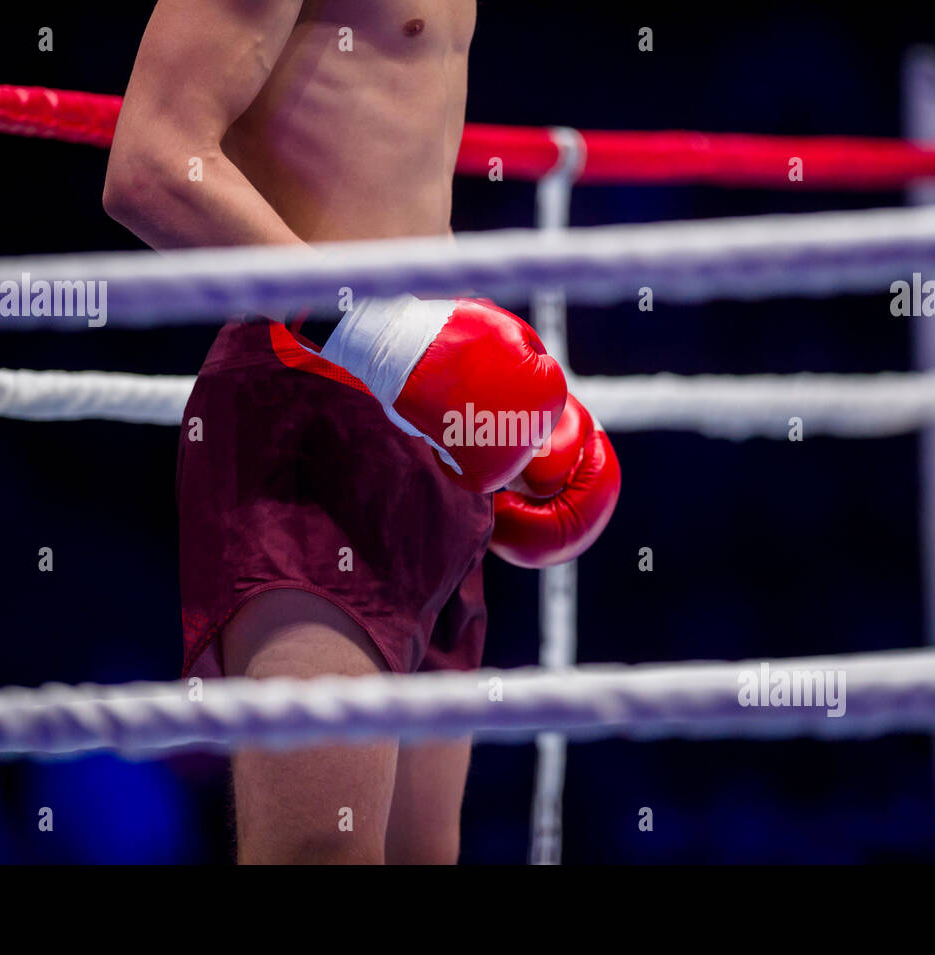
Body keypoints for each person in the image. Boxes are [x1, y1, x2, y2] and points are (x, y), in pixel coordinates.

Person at [104, 0, 619, 864]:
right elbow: (151, 164)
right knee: (318, 855)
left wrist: (477, 380)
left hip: (428, 426)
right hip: (308, 409)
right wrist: (381, 335)